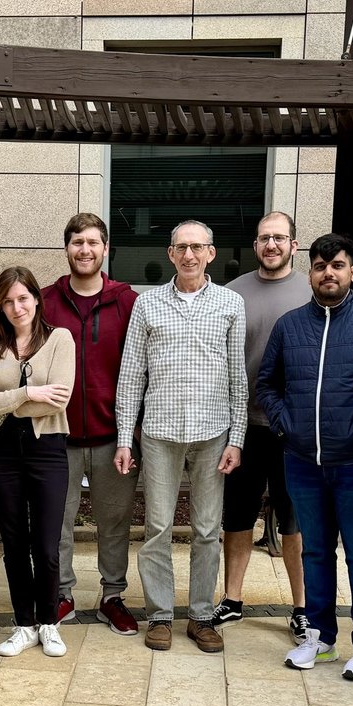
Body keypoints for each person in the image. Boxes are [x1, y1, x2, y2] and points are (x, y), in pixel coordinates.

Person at [258, 233, 353, 681]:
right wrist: (288, 424)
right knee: (315, 551)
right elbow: (267, 383)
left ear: (352, 272)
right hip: (303, 460)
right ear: (311, 271)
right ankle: (319, 638)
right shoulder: (290, 325)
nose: (328, 273)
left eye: (337, 265)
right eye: (320, 266)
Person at [115, 220, 245, 654]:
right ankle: (160, 615)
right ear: (170, 254)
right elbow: (131, 375)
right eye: (181, 247)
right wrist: (123, 438)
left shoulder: (231, 303)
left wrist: (237, 437)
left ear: (211, 252)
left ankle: (203, 615)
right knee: (157, 527)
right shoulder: (147, 304)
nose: (189, 255)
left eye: (198, 247)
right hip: (160, 431)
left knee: (208, 529)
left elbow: (237, 379)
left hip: (213, 432)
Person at [212, 211, 312, 640]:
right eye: (264, 238)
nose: (271, 245)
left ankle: (302, 607)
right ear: (255, 245)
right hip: (245, 425)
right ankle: (232, 600)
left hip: (297, 430)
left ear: (294, 245)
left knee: (295, 521)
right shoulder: (233, 293)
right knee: (237, 517)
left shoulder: (313, 289)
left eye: (280, 238)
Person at [39, 213, 140, 634]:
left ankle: (112, 596)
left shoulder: (128, 301)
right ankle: (61, 594)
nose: (85, 250)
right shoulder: (44, 301)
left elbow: (142, 368)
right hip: (56, 436)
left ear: (105, 249)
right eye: (77, 242)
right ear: (66, 248)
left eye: (93, 242)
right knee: (56, 522)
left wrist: (130, 434)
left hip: (112, 436)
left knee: (114, 522)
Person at [0, 266, 77, 658]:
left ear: (36, 299)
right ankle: (24, 624)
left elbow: (61, 399)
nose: (17, 307)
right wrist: (29, 392)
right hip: (2, 452)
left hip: (47, 449)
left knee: (47, 544)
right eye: (8, 300)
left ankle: (49, 622)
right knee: (15, 543)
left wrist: (7, 399)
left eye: (23, 298)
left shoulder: (60, 339)